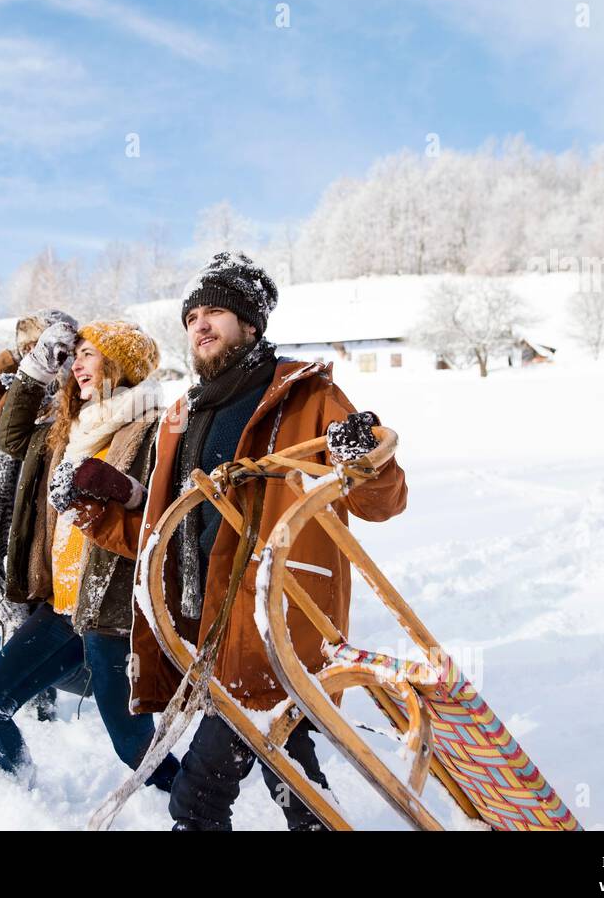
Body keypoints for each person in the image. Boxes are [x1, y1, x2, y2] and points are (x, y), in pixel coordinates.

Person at [67, 252, 409, 830]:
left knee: (198, 799)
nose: (201, 324)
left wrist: (365, 458)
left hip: (275, 622)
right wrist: (92, 516)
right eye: (192, 314)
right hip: (204, 632)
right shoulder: (181, 415)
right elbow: (164, 535)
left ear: (250, 323)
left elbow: (381, 504)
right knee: (294, 779)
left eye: (217, 311)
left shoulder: (306, 396)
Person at [0, 319, 180, 792]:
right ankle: (17, 802)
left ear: (119, 365)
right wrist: (37, 367)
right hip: (61, 607)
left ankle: (194, 806)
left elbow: (167, 518)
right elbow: (10, 435)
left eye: (89, 354)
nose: (77, 364)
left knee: (132, 746)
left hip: (111, 611)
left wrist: (125, 490)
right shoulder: (69, 431)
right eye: (75, 354)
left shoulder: (152, 429)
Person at [0, 310, 78, 720]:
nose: (32, 352)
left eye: (37, 344)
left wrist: (44, 371)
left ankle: (38, 696)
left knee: (29, 599)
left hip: (33, 503)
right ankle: (25, 688)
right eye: (25, 345)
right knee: (8, 601)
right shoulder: (13, 389)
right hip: (0, 499)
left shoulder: (57, 394)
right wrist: (15, 357)